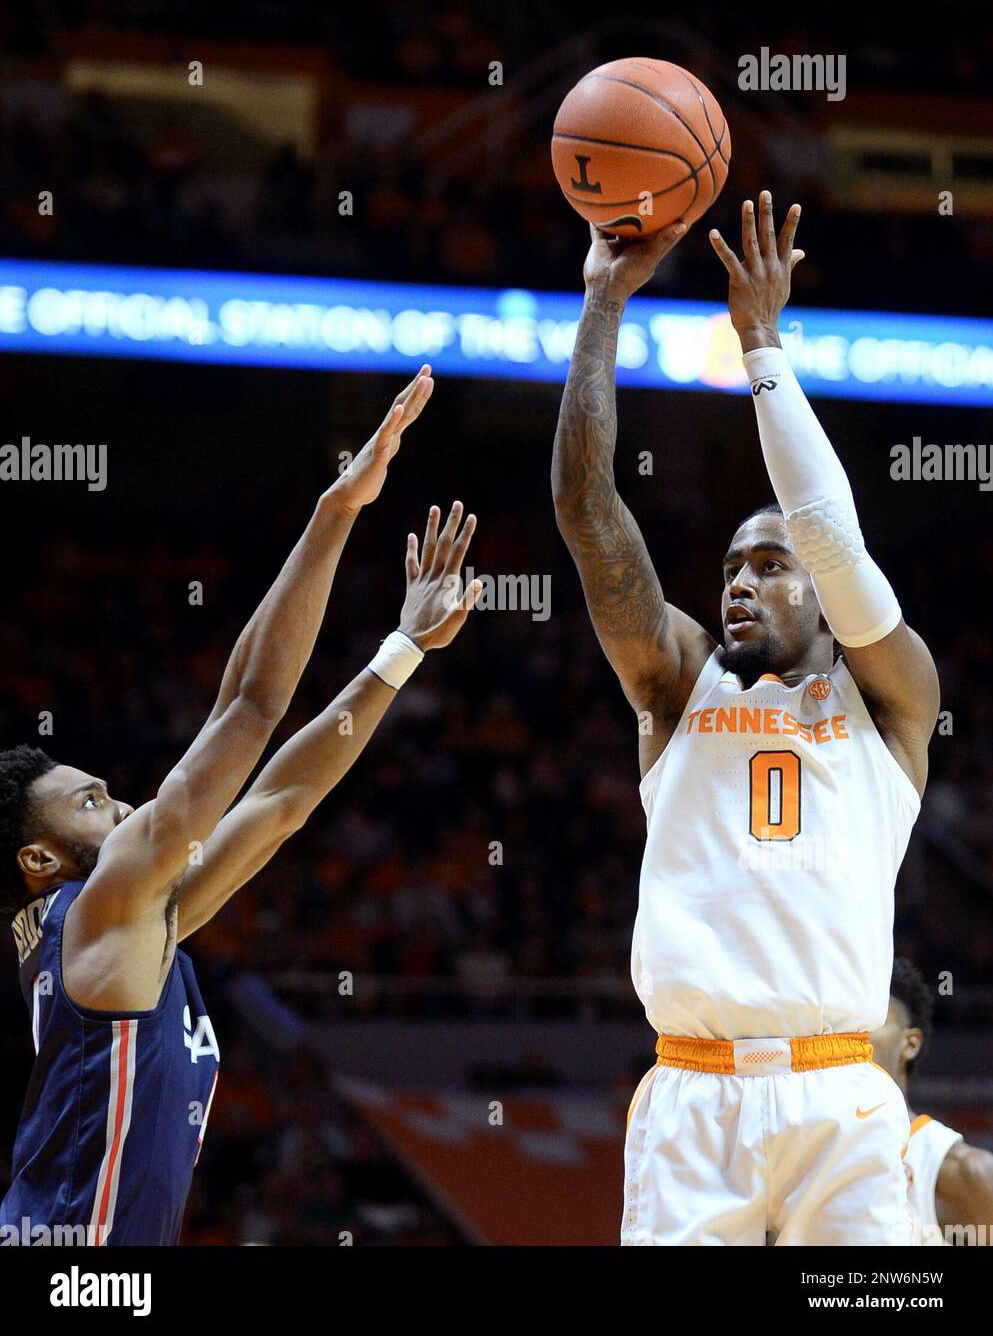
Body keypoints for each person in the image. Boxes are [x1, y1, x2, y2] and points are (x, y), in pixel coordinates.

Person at [0, 367, 481, 1246]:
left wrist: (402, 651)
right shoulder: (101, 906)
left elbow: (283, 801)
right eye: (94, 802)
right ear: (39, 858)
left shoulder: (129, 926)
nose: (128, 805)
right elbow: (250, 708)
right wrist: (337, 511)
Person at [551, 192, 940, 1245]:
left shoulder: (895, 699)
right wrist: (601, 304)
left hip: (839, 1093)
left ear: (814, 589)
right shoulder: (679, 682)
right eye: (730, 566)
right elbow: (588, 514)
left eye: (769, 567)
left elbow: (830, 534)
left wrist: (762, 346)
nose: (739, 583)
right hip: (692, 1095)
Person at [871, 958, 993, 1246]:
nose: (852, 1036)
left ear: (910, 1043)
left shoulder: (967, 1174)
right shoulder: (796, 1151)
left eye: (871, 1022)